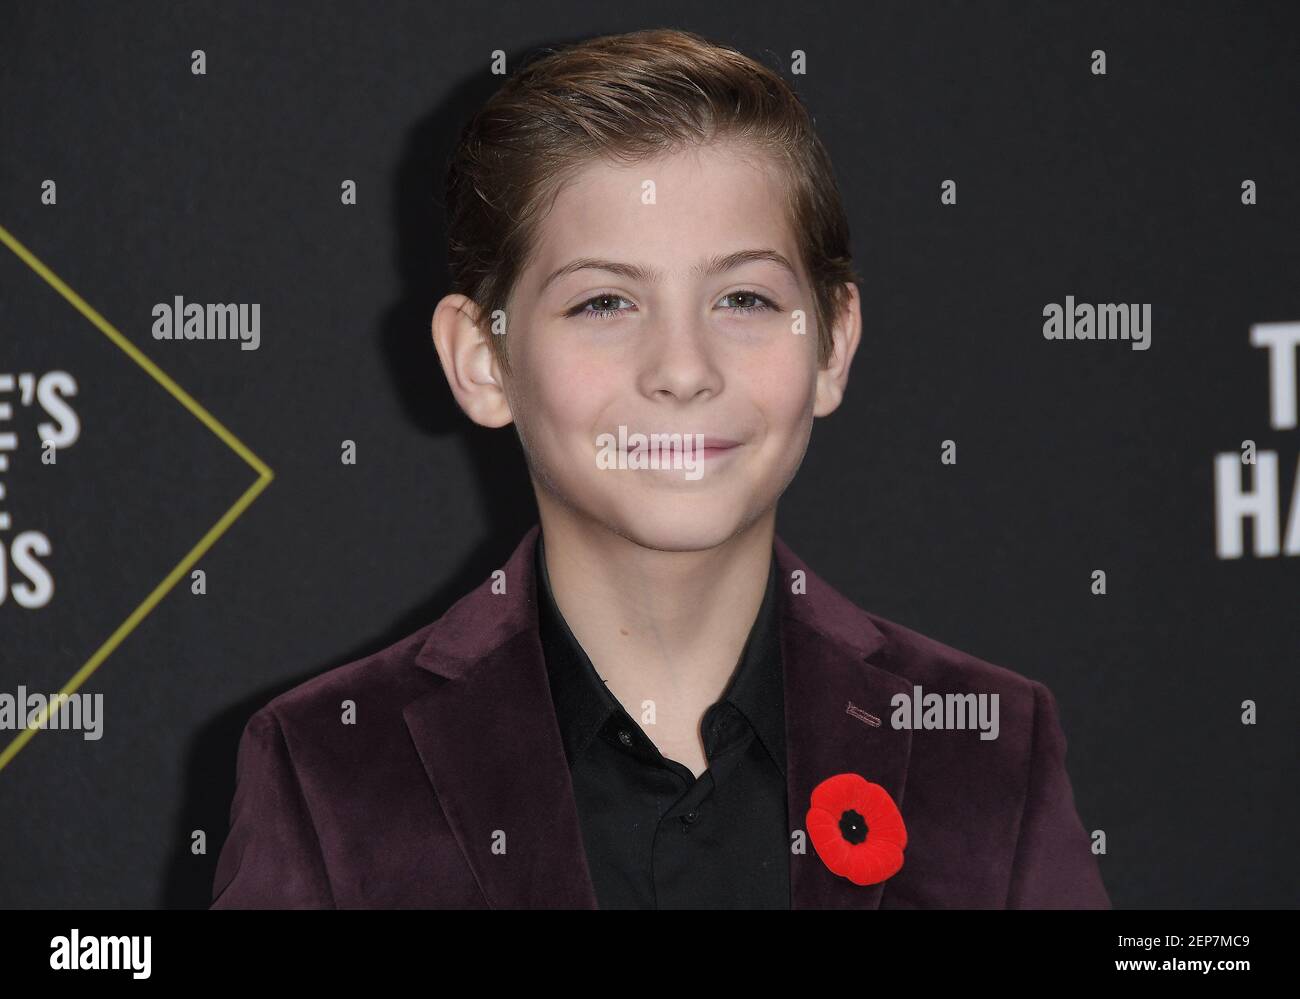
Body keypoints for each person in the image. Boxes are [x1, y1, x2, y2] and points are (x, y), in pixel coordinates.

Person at [210, 27, 1109, 909]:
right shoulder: (328, 771)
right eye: (605, 301)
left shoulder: (988, 748)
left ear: (831, 344)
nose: (683, 369)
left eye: (744, 298)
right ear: (483, 360)